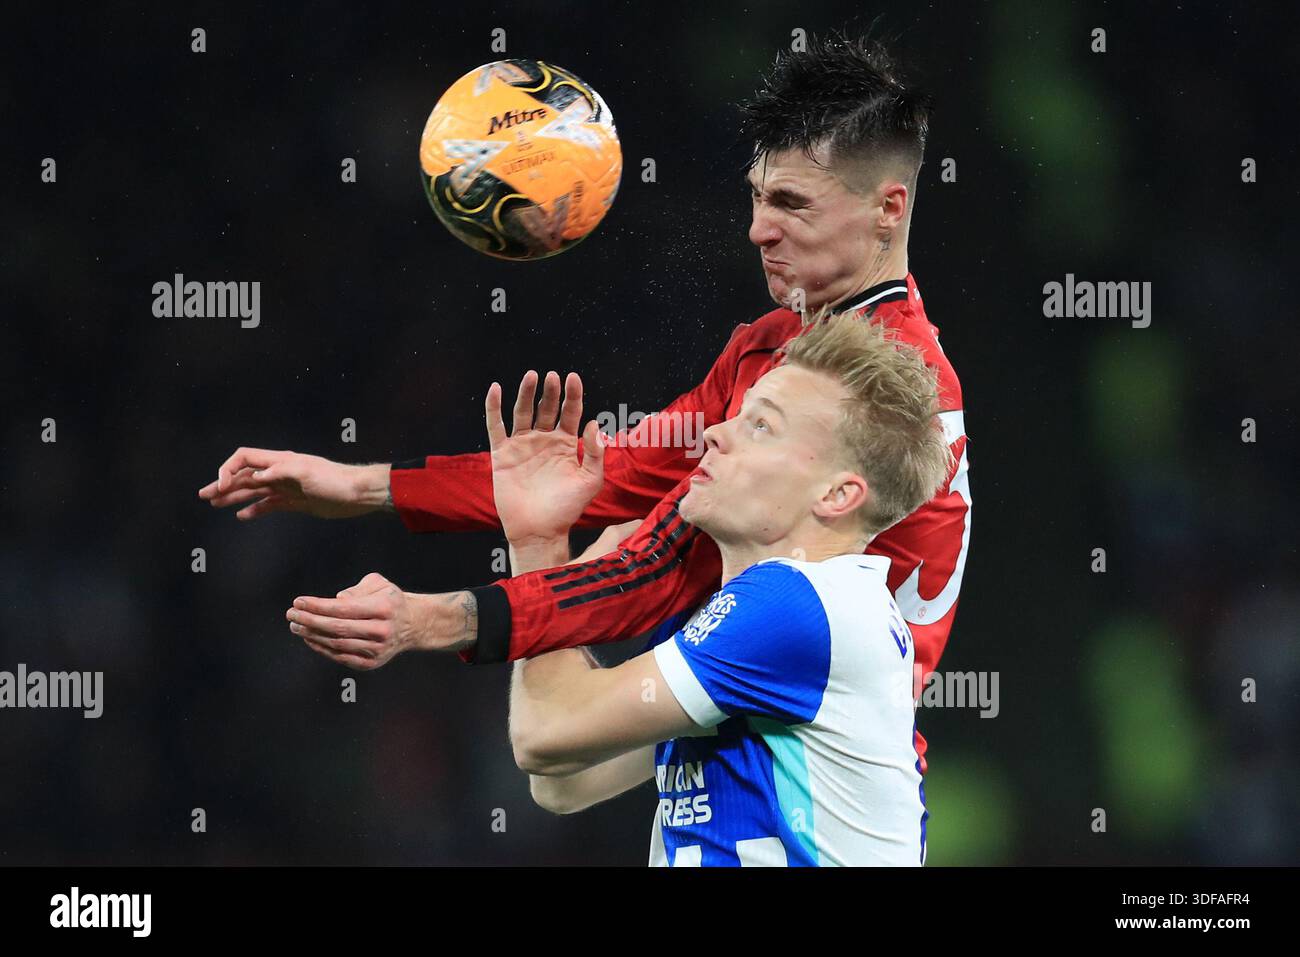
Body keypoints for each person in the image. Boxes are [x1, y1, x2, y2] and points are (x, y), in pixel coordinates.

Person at [198, 34, 971, 774]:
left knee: (556, 731)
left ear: (888, 209)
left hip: (819, 731)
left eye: (792, 205)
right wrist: (364, 485)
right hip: (754, 683)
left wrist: (426, 618)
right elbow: (619, 467)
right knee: (554, 762)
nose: (757, 229)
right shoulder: (779, 345)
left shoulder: (883, 391)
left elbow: (654, 568)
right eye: (757, 197)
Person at [495, 313, 951, 865]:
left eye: (761, 426)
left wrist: (545, 558)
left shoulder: (799, 607)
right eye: (738, 415)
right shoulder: (761, 623)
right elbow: (562, 779)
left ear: (837, 495)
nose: (714, 432)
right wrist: (538, 548)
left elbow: (545, 735)